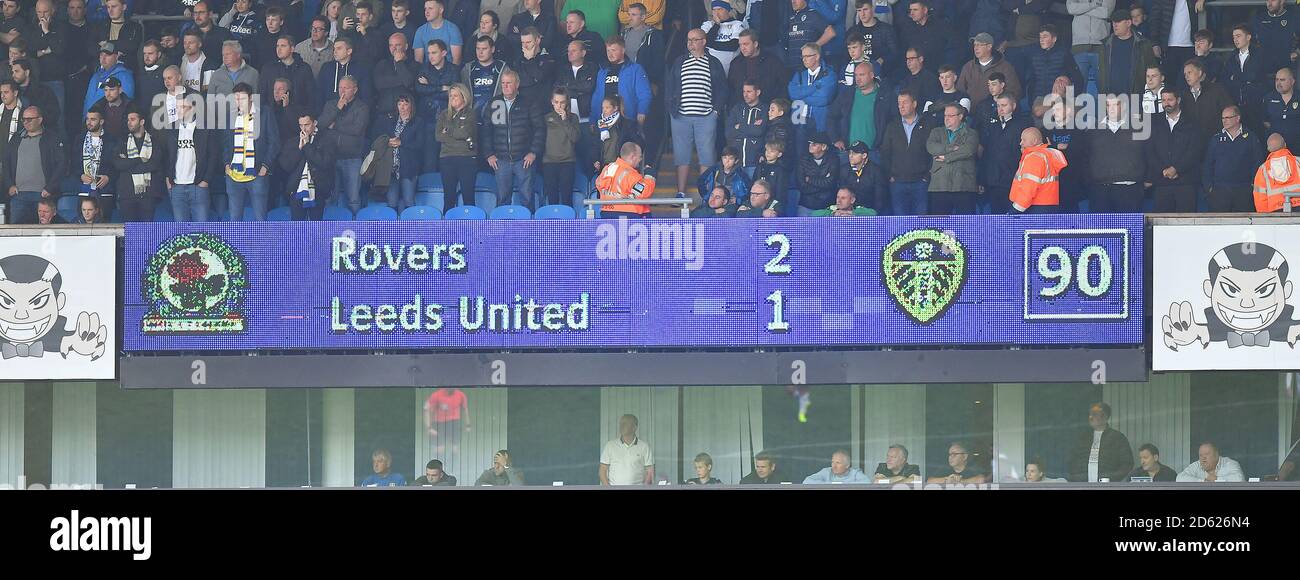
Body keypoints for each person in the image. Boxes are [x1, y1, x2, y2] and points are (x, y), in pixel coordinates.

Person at [668, 28, 727, 199]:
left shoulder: (713, 62)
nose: (691, 43)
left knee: (707, 156)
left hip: (706, 116)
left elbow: (722, 89)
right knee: (681, 155)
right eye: (689, 40)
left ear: (704, 41)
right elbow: (670, 86)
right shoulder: (680, 62)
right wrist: (672, 109)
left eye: (695, 39)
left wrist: (715, 111)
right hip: (680, 116)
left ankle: (705, 195)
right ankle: (680, 192)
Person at [482, 70, 544, 209]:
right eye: (503, 83)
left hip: (524, 160)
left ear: (517, 84)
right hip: (501, 160)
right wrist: (489, 154)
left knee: (527, 199)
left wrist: (533, 152)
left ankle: (528, 230)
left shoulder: (529, 103)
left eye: (509, 83)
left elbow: (539, 129)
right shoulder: (494, 103)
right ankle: (502, 230)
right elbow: (486, 131)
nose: (505, 86)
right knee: (502, 199)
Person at [222, 84, 279, 221]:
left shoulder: (264, 113)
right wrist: (226, 164)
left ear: (251, 98)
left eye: (241, 98)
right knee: (235, 221)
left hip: (257, 173)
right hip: (234, 176)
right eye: (235, 98)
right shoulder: (231, 116)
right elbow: (225, 143)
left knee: (260, 220)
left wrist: (265, 165)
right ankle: (236, 244)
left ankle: (262, 243)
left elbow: (274, 142)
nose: (238, 102)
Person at [3, 106, 64, 224]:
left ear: (40, 119)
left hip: (43, 195)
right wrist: (9, 185)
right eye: (24, 119)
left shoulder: (51, 138)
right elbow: (5, 163)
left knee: (43, 233)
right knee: (18, 234)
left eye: (29, 119)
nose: (25, 122)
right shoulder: (16, 138)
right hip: (19, 196)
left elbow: (61, 164)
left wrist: (50, 187)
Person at [1088, 95, 1148, 213]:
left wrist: (1147, 177)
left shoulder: (1137, 127)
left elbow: (1148, 153)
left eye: (1116, 104)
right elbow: (1086, 156)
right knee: (1102, 230)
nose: (1111, 108)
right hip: (1100, 190)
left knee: (1130, 230)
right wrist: (1090, 180)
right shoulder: (1093, 130)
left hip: (1130, 190)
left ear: (1124, 106)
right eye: (1108, 105)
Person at [319, 75, 369, 213]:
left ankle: (354, 228)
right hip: (331, 157)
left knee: (353, 197)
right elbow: (321, 124)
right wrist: (337, 108)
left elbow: (357, 129)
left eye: (346, 88)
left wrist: (334, 126)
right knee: (330, 197)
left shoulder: (362, 107)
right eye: (340, 87)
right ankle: (330, 227)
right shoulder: (330, 104)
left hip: (352, 158)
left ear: (355, 89)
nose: (342, 91)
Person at [1147, 87, 1202, 213]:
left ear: (1178, 100)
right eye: (1164, 100)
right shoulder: (1154, 121)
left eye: (1170, 99)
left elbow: (1194, 150)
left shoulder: (1192, 121)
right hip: (1162, 182)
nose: (1166, 103)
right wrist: (1164, 170)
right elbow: (1150, 150)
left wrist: (1176, 169)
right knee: (1161, 226)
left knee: (1186, 225)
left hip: (1186, 182)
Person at [879, 90, 932, 215]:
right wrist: (890, 176)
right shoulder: (892, 126)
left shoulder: (927, 125)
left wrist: (927, 176)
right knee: (901, 224)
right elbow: (885, 153)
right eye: (899, 103)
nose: (901, 106)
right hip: (898, 182)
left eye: (905, 102)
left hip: (921, 182)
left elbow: (932, 152)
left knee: (921, 223)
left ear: (914, 104)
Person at [1203, 105, 1264, 213]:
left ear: (1237, 118)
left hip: (1243, 190)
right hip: (1220, 191)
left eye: (1228, 118)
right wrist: (1209, 188)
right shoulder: (1216, 139)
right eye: (1223, 118)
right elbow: (1208, 164)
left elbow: (1257, 162)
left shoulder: (1251, 137)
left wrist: (1252, 185)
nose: (1224, 121)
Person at [165, 97, 216, 222]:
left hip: (198, 185)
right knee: (181, 234)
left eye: (183, 107)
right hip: (177, 186)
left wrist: (206, 180)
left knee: (201, 231)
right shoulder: (172, 129)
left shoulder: (205, 129)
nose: (179, 111)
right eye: (177, 108)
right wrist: (168, 178)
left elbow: (213, 156)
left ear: (193, 109)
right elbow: (167, 155)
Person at [279, 112, 338, 220]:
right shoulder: (293, 141)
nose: (303, 129)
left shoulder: (326, 140)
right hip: (297, 189)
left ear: (314, 123)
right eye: (301, 125)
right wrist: (299, 150)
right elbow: (286, 166)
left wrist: (307, 146)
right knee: (297, 228)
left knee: (315, 227)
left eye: (307, 125)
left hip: (318, 189)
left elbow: (324, 162)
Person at [829, 61, 892, 159]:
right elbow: (831, 116)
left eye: (862, 75)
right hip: (849, 152)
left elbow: (893, 122)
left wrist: (884, 145)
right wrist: (836, 139)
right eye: (856, 75)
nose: (858, 78)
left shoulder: (885, 95)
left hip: (874, 152)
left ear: (871, 75)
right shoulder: (847, 94)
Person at [926, 102, 978, 214]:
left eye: (951, 116)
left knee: (966, 225)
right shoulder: (936, 132)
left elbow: (968, 150)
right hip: (940, 185)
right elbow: (931, 147)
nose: (947, 119)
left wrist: (946, 157)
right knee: (939, 226)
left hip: (963, 185)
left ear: (960, 116)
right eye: (945, 115)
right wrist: (951, 148)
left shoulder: (971, 133)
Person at [1065, 402, 1134, 483]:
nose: (1090, 417)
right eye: (1090, 414)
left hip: (1107, 486)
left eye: (1094, 414)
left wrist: (1111, 479)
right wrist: (1076, 477)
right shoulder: (1082, 438)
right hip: (1082, 485)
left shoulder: (1117, 438)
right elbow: (1071, 460)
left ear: (1105, 417)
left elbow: (1127, 464)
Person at [591, 36, 651, 128]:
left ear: (623, 50)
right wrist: (593, 119)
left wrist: (642, 112)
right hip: (605, 121)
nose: (610, 54)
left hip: (628, 118)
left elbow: (644, 93)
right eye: (608, 51)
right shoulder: (602, 71)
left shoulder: (635, 69)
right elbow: (597, 97)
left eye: (614, 50)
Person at [112, 109, 160, 222]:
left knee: (147, 233)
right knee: (130, 232)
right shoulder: (122, 142)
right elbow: (118, 164)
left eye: (132, 119)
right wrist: (139, 160)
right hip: (127, 195)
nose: (129, 122)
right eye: (128, 120)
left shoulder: (154, 141)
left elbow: (154, 165)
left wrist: (128, 163)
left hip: (148, 194)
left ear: (142, 122)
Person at [436, 83, 477, 211]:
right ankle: (447, 229)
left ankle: (472, 228)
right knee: (448, 197)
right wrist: (459, 135)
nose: (452, 98)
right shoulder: (443, 114)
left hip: (467, 159)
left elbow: (466, 132)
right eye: (450, 96)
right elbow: (438, 136)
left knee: (468, 196)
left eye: (455, 96)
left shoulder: (471, 113)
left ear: (463, 97)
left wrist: (448, 131)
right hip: (447, 159)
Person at [1098, 10, 1157, 96]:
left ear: (1129, 23)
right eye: (1113, 22)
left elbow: (1152, 70)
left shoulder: (1143, 44)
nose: (1115, 25)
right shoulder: (1105, 45)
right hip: (1111, 99)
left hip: (1135, 96)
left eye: (1118, 21)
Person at [73, 106, 118, 220]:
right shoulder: (79, 139)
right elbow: (73, 162)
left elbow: (117, 164)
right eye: (87, 119)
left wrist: (108, 177)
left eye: (93, 119)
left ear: (101, 121)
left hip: (104, 190)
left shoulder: (112, 140)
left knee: (104, 223)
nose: (89, 122)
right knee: (84, 225)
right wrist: (80, 175)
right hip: (85, 189)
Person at [1008, 126, 1066, 213]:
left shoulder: (1034, 157)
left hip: (1034, 207)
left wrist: (1016, 209)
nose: (1021, 143)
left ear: (1034, 141)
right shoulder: (1046, 154)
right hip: (1049, 206)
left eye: (1024, 140)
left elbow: (1029, 187)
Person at [1220, 24, 1267, 132]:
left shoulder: (1259, 54)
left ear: (1248, 37)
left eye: (1238, 36)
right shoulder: (1231, 57)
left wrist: (1236, 77)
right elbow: (1226, 79)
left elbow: (1257, 76)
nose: (1235, 39)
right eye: (1233, 37)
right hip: (1237, 104)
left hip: (1256, 105)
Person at [594, 140, 655, 218]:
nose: (640, 160)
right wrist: (649, 176)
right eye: (640, 157)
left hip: (606, 213)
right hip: (629, 215)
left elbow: (598, 184)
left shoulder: (607, 168)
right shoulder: (630, 174)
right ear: (633, 157)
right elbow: (643, 193)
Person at [956, 32, 1020, 106]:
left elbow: (1014, 92)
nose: (976, 48)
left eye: (979, 45)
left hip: (994, 114)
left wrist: (998, 107)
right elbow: (960, 91)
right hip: (971, 114)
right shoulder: (968, 67)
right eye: (975, 45)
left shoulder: (1005, 67)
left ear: (989, 46)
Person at [1026, 25, 1082, 108]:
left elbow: (1078, 79)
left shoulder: (1064, 54)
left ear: (1054, 39)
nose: (1041, 40)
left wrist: (1068, 100)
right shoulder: (1034, 55)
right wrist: (1031, 103)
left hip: (1058, 102)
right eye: (1040, 37)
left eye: (1045, 37)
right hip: (1038, 101)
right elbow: (1031, 81)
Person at [261, 35, 318, 115]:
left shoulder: (304, 68)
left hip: (297, 116)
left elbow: (311, 97)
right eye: (277, 46)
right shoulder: (268, 68)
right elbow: (262, 94)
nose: (279, 49)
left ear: (292, 49)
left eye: (283, 46)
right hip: (273, 116)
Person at [1066, 0, 1112, 97]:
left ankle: (1105, 112)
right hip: (1079, 45)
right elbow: (1071, 9)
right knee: (1077, 87)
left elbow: (1106, 13)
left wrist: (1081, 9)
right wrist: (1094, 4)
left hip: (1101, 45)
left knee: (1104, 87)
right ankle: (1075, 112)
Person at [727, 29, 784, 105]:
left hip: (767, 109)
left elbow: (782, 86)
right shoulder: (735, 63)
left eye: (746, 44)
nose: (742, 48)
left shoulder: (773, 61)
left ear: (755, 44)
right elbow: (730, 89)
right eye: (740, 45)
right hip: (740, 111)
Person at [1182, 58, 1235, 139]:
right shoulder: (1184, 95)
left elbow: (1230, 112)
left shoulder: (1217, 90)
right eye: (1185, 74)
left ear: (1199, 73)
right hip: (1193, 141)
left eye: (1189, 72)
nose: (1186, 76)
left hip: (1216, 139)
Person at [845, 0, 896, 79]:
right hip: (857, 75)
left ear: (872, 9)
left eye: (865, 9)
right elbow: (846, 55)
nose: (862, 14)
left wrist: (883, 59)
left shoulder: (886, 29)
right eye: (859, 10)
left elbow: (894, 52)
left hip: (882, 74)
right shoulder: (852, 32)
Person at [598, 413, 654, 485]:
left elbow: (650, 471)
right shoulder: (610, 446)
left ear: (634, 427)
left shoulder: (644, 447)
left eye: (625, 423)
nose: (621, 426)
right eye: (621, 423)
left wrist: (643, 488)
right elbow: (602, 471)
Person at [781, 0, 833, 77]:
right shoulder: (791, 18)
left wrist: (814, 46)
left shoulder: (813, 15)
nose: (793, 1)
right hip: (791, 67)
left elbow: (830, 32)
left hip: (807, 67)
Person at [463, 36, 510, 120]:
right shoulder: (468, 68)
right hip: (472, 115)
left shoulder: (502, 68)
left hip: (497, 114)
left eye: (484, 49)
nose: (480, 52)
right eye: (478, 48)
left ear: (492, 49)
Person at [317, 37, 372, 108]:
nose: (335, 52)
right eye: (334, 49)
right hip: (329, 112)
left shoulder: (361, 69)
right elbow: (319, 93)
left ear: (349, 51)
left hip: (353, 113)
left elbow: (366, 95)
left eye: (339, 48)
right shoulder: (326, 68)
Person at [1253, 133, 1300, 212]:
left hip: (1275, 212)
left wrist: (1265, 219)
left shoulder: (1262, 170)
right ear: (1285, 145)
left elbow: (1260, 198)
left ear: (1268, 149)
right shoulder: (1298, 162)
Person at [726, 80, 767, 172]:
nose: (745, 94)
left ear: (758, 92)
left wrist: (740, 127)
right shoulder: (737, 108)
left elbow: (760, 131)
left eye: (749, 91)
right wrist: (751, 130)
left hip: (755, 162)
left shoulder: (764, 109)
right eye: (744, 91)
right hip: (736, 162)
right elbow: (729, 133)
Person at [90, 0, 143, 70]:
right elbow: (90, 48)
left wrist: (106, 44)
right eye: (108, 7)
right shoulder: (99, 27)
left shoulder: (135, 27)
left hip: (126, 69)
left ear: (124, 7)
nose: (110, 10)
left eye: (114, 6)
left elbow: (131, 46)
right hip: (102, 70)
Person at [84, 42, 134, 117]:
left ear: (116, 57)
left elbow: (126, 105)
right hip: (90, 123)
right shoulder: (95, 76)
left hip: (109, 124)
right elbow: (87, 101)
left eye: (107, 55)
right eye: (101, 55)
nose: (103, 58)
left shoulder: (124, 76)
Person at [1253, 0, 1299, 80]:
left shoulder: (1293, 18)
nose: (1269, 3)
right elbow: (1251, 40)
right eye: (1267, 0)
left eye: (1273, 0)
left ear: (1282, 1)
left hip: (1287, 69)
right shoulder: (1259, 18)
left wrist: (1297, 52)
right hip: (1264, 70)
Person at [796, 130, 839, 215]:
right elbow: (801, 185)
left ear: (823, 146)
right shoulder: (803, 160)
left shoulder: (833, 160)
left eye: (814, 144)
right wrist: (823, 183)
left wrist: (810, 180)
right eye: (810, 143)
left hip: (826, 205)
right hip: (806, 204)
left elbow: (831, 183)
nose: (810, 146)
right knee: (802, 228)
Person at [898, 0, 949, 72]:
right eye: (910, 10)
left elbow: (951, 47)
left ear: (925, 10)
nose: (911, 13)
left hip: (937, 69)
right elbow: (903, 51)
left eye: (915, 10)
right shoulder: (907, 29)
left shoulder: (940, 26)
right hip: (915, 72)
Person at [839, 140, 886, 211]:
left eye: (854, 153)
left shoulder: (876, 171)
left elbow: (879, 198)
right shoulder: (844, 170)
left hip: (869, 211)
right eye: (850, 153)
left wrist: (874, 214)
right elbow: (842, 194)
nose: (850, 156)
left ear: (864, 155)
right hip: (849, 212)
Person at [700, 0, 745, 74]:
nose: (716, 13)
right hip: (710, 69)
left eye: (720, 9)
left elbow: (733, 46)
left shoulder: (737, 24)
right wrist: (717, 24)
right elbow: (703, 42)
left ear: (728, 10)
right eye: (714, 10)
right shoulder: (707, 24)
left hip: (731, 69)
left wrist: (710, 44)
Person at [413, 0, 463, 65]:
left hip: (449, 72)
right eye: (425, 9)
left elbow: (456, 60)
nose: (426, 12)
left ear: (441, 10)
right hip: (427, 72)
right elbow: (418, 61)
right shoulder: (420, 31)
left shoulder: (453, 29)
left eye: (430, 8)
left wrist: (451, 74)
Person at [1264, 67, 1300, 150]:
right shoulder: (1268, 98)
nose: (1278, 83)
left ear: (1292, 81)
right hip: (1276, 147)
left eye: (1282, 80)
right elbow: (1265, 121)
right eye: (1277, 80)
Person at [896, 48, 938, 114]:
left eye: (911, 58)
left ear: (921, 59)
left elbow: (931, 101)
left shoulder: (930, 79)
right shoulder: (905, 80)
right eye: (907, 59)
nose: (908, 61)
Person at [1177, 442, 1246, 482]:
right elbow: (1179, 478)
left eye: (1207, 454)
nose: (1203, 458)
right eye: (1201, 455)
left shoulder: (1229, 463)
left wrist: (1216, 479)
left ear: (1216, 455)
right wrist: (1203, 481)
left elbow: (1239, 479)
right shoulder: (1197, 465)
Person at [753, 139, 787, 209]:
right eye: (767, 150)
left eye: (772, 151)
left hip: (772, 204)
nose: (768, 153)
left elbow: (780, 193)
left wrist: (772, 207)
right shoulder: (760, 166)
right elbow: (754, 184)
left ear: (779, 154)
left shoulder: (780, 170)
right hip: (758, 202)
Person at [803, 450, 870, 484]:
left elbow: (867, 482)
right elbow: (807, 481)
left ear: (847, 465)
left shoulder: (855, 473)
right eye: (832, 462)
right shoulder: (827, 471)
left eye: (838, 463)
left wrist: (841, 485)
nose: (834, 466)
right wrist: (830, 485)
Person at [810, 186, 875, 216]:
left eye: (843, 198)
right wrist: (832, 214)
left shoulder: (858, 209)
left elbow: (873, 213)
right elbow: (814, 214)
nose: (839, 201)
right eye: (838, 197)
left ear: (852, 200)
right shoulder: (832, 209)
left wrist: (851, 213)